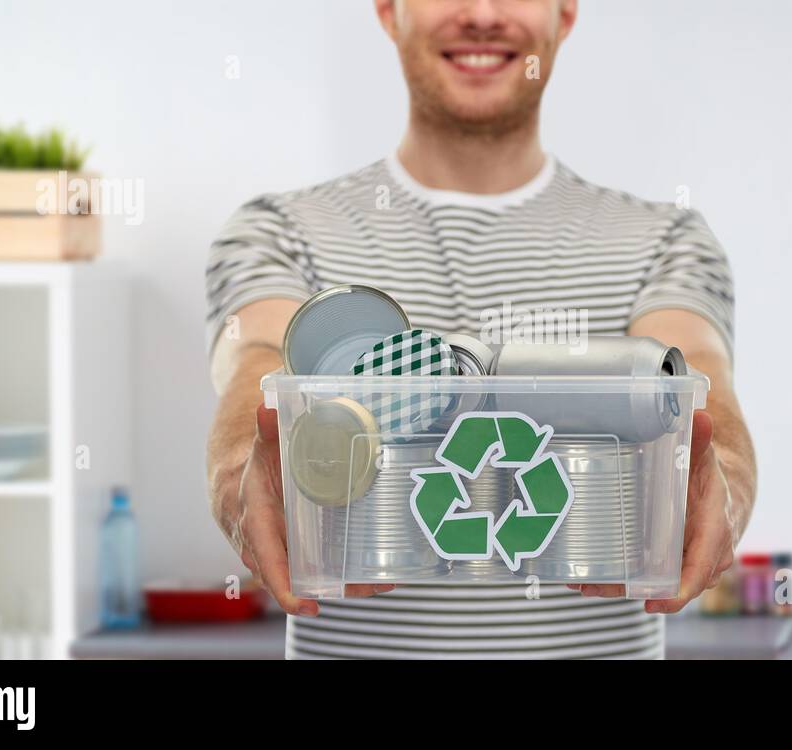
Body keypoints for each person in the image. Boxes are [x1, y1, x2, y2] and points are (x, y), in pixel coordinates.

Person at [205, 0, 756, 659]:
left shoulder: (667, 240)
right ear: (388, 9)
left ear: (565, 13)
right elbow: (257, 361)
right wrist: (239, 464)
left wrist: (726, 471)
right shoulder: (277, 231)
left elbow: (695, 366)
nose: (483, 13)